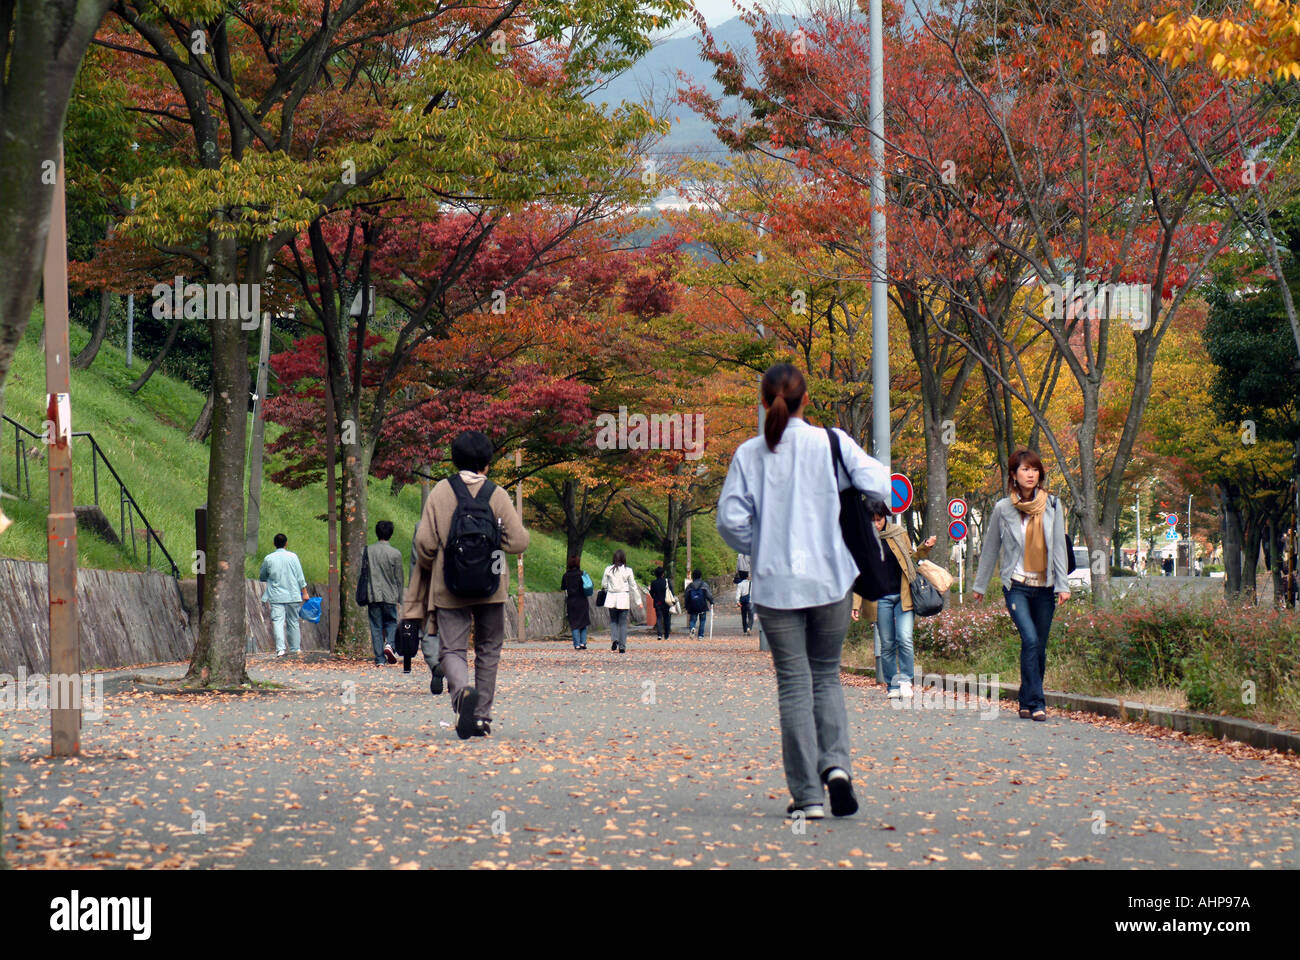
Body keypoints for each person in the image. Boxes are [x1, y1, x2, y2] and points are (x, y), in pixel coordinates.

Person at [717, 362, 890, 819]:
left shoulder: (749, 454)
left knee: (793, 685)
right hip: (830, 578)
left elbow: (730, 521)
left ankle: (808, 797)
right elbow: (881, 484)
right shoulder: (830, 442)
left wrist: (764, 541)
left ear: (762, 399)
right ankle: (836, 767)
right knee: (826, 675)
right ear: (804, 400)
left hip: (776, 586)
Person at [402, 431, 529, 739]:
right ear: (486, 464)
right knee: (488, 649)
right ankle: (483, 716)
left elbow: (425, 543)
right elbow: (519, 541)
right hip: (491, 586)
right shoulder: (497, 494)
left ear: (455, 458)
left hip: (449, 586)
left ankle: (462, 696)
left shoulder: (440, 493)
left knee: (452, 649)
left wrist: (443, 555)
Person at [971, 447, 1070, 722]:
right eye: (1025, 469)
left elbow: (1058, 548)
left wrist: (1063, 585)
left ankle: (1025, 700)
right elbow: (991, 547)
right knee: (1030, 639)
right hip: (1017, 586)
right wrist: (979, 586)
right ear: (1014, 475)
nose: (1031, 474)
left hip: (1046, 586)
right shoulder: (1004, 508)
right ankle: (1038, 702)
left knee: (1039, 645)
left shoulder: (1052, 505)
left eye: (1035, 469)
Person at [872, 509, 937, 698]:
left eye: (879, 519)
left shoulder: (899, 533)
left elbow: (912, 558)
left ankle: (906, 681)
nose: (876, 524)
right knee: (887, 643)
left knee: (905, 638)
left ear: (885, 518)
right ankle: (892, 685)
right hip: (881, 597)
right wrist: (855, 604)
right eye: (872, 520)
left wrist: (925, 547)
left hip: (904, 595)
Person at [258, 533, 310, 658]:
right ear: (286, 543)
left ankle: (280, 649)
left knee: (278, 622)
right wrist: (305, 592)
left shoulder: (269, 558)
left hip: (276, 596)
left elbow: (262, 576)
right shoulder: (293, 557)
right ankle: (295, 648)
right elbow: (300, 576)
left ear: (274, 544)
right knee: (293, 621)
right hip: (293, 594)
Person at [364, 520, 407, 666]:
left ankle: (379, 659)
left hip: (373, 594)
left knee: (375, 625)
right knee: (391, 622)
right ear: (391, 534)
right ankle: (390, 644)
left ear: (377, 533)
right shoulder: (396, 554)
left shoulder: (368, 551)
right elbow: (399, 578)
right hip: (390, 595)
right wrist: (400, 598)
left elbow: (363, 574)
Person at [601, 549, 641, 653]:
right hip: (623, 598)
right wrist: (638, 601)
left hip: (611, 598)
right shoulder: (628, 571)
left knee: (613, 621)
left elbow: (604, 585)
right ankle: (622, 646)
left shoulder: (608, 569)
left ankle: (615, 639)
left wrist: (607, 589)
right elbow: (633, 586)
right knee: (623, 623)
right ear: (624, 558)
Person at [560, 556, 592, 649]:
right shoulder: (582, 574)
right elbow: (589, 585)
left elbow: (563, 587)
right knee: (583, 622)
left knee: (574, 623)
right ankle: (583, 643)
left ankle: (576, 644)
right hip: (582, 600)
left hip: (571, 601)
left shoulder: (566, 575)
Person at [684, 569, 714, 638]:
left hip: (693, 606)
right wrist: (711, 601)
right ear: (700, 576)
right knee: (702, 620)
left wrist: (686, 606)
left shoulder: (690, 586)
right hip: (702, 605)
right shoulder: (704, 585)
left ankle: (692, 628)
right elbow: (709, 595)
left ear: (693, 577)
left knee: (692, 620)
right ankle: (700, 635)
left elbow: (686, 596)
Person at [649, 567, 675, 640]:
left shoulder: (653, 582)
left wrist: (654, 597)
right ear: (663, 574)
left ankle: (659, 634)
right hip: (666, 602)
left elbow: (651, 592)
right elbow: (671, 592)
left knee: (659, 618)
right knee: (667, 618)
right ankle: (666, 634)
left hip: (658, 602)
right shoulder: (667, 581)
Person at [735, 571, 754, 635]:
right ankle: (749, 627)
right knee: (751, 616)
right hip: (750, 602)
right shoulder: (751, 583)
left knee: (744, 617)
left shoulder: (740, 584)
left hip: (743, 603)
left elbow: (738, 593)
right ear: (747, 577)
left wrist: (737, 601)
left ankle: (745, 631)